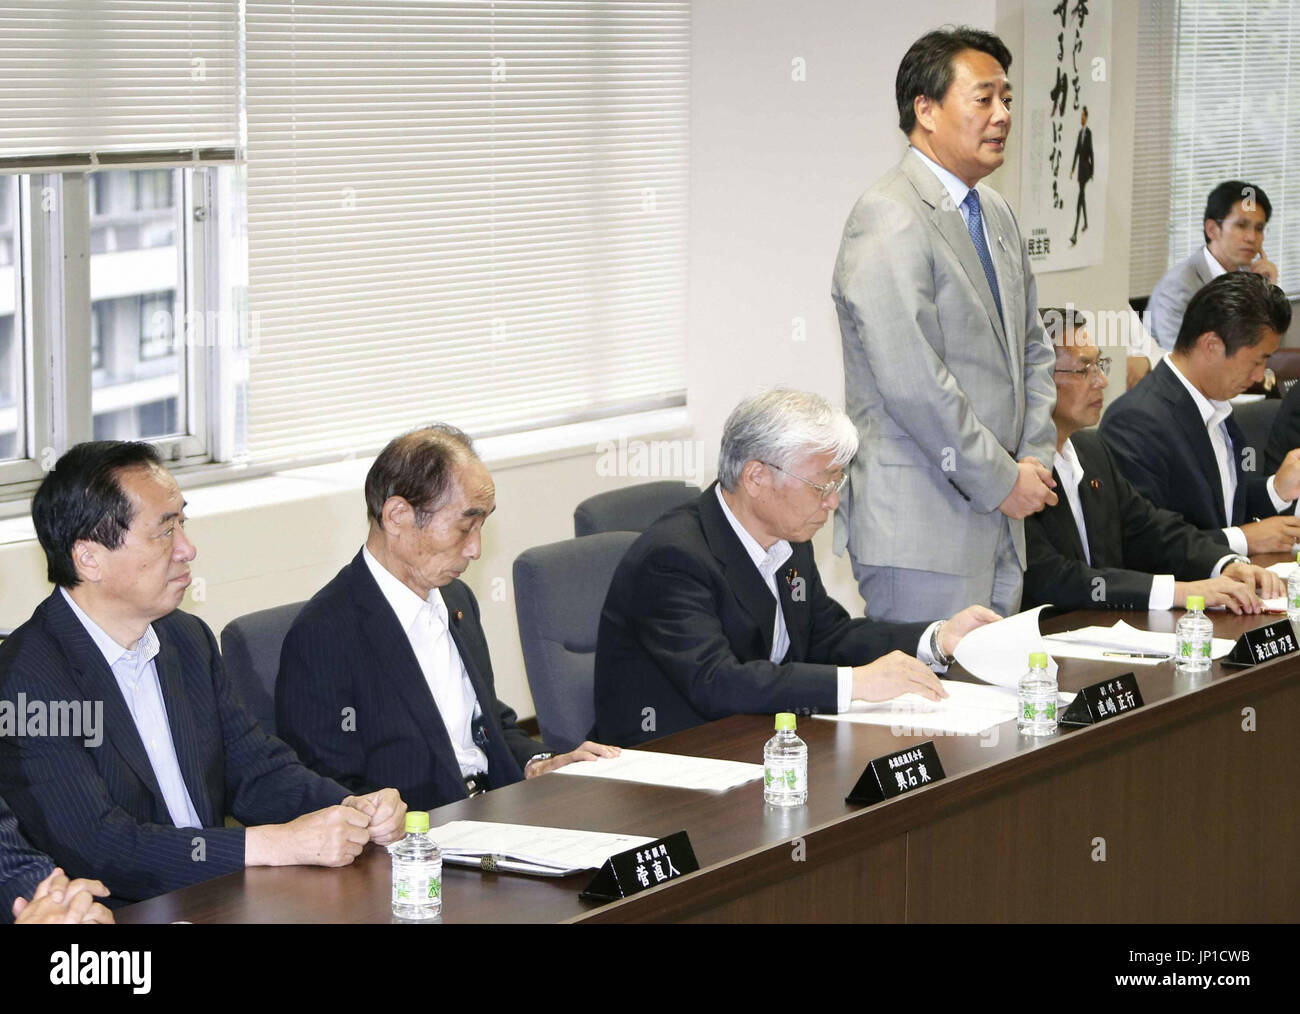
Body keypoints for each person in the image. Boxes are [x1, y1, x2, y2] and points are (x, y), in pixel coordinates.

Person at [0, 442, 406, 906]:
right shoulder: (27, 681)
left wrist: (350, 809)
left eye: (182, 523)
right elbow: (101, 846)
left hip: (219, 896)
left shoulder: (185, 638)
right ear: (89, 558)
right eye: (163, 531)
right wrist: (273, 844)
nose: (187, 549)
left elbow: (257, 771)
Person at [593, 389, 999, 747]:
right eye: (821, 486)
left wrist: (936, 638)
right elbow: (717, 682)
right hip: (668, 761)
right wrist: (856, 683)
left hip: (757, 741)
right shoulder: (672, 559)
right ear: (756, 477)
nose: (832, 503)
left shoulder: (788, 539)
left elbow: (826, 636)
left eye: (837, 487)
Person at [832, 26, 1058, 623]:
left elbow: (1033, 351)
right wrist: (1001, 478)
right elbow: (913, 381)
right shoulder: (888, 215)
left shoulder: (997, 214)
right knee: (926, 710)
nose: (1002, 114)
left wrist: (1031, 461)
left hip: (1002, 514)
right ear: (925, 110)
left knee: (997, 707)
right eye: (983, 98)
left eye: (1006, 98)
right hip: (922, 527)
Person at [277, 425, 619, 812]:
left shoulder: (456, 599)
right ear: (398, 516)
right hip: (418, 840)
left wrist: (540, 764)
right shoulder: (324, 636)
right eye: (464, 526)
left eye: (482, 524)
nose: (475, 548)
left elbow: (490, 721)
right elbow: (333, 793)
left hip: (497, 809)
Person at [1023, 309, 1282, 613]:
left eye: (1100, 364)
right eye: (1085, 370)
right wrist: (1179, 592)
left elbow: (1150, 530)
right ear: (1036, 381)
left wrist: (1223, 564)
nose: (1102, 381)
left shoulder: (1090, 450)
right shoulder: (1016, 471)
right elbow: (1053, 578)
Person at [1100, 273, 1300, 553]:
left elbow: (1223, 511)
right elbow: (1146, 542)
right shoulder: (1135, 421)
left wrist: (1276, 490)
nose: (1258, 376)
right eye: (1256, 361)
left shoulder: (1214, 403)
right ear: (1211, 345)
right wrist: (1244, 539)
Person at [1145, 180, 1280, 353]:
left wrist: (1269, 294)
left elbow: (1267, 348)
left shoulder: (1250, 276)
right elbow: (1181, 359)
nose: (1252, 237)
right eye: (1241, 226)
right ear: (1212, 229)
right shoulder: (1179, 286)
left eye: (1259, 228)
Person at [1068, 107, 1093, 246]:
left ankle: (1075, 233)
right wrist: (1072, 169)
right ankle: (1086, 223)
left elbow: (1091, 152)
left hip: (1086, 171)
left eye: (1083, 116)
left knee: (1080, 198)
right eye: (1081, 116)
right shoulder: (1080, 133)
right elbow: (1076, 152)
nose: (1081, 118)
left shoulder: (1088, 133)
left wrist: (1093, 171)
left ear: (1086, 117)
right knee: (1082, 197)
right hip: (1079, 172)